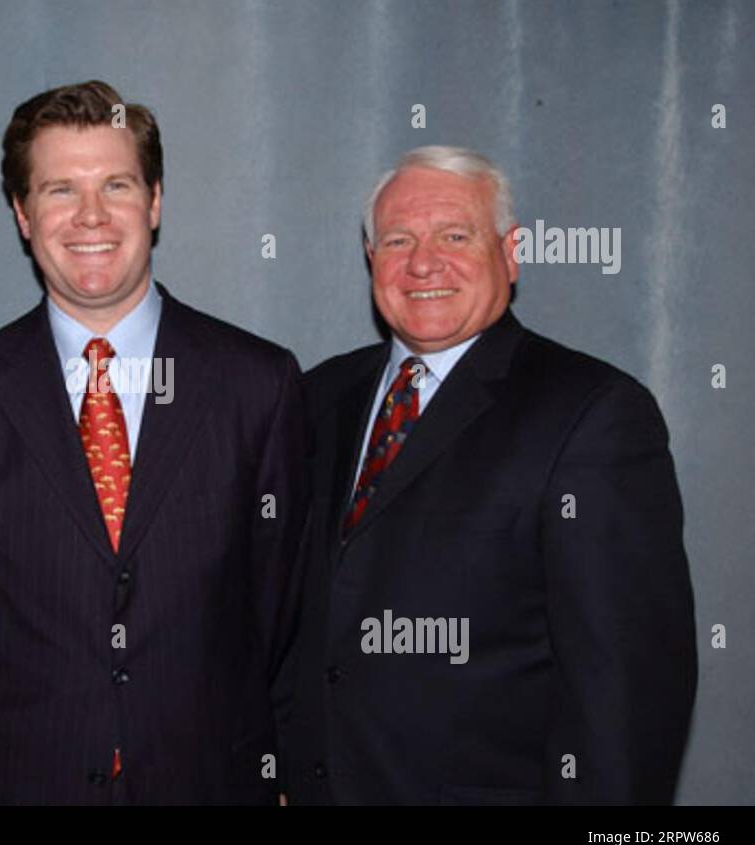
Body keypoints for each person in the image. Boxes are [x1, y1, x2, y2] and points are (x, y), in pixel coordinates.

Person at [0, 80, 306, 804]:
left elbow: (273, 610)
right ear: (24, 216)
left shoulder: (258, 384)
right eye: (60, 190)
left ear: (154, 202)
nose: (90, 215)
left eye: (116, 185)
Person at [280, 146, 697, 804]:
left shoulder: (592, 414)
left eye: (454, 234)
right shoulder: (315, 398)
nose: (423, 262)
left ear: (511, 251)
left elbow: (627, 693)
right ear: (370, 257)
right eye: (398, 239)